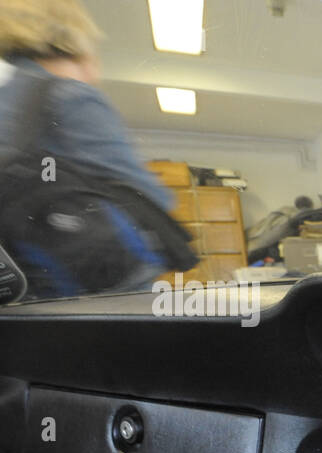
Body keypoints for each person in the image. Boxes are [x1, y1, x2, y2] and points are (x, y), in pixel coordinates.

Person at [0, 0, 186, 298]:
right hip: (103, 291)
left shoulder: (7, 97)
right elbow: (149, 198)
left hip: (26, 296)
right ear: (74, 39)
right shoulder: (68, 95)